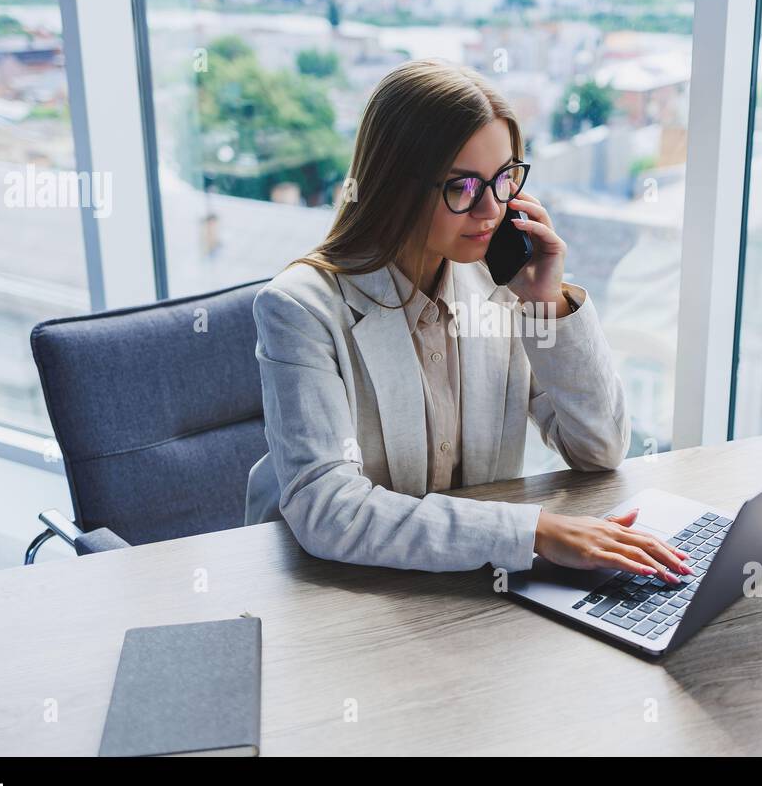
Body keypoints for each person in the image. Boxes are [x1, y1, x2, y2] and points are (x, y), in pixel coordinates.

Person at [244, 58, 690, 583]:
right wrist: (536, 533)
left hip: (470, 583)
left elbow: (598, 448)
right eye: (462, 187)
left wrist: (547, 305)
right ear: (395, 186)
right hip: (333, 590)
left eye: (503, 180)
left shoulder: (501, 283)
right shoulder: (301, 310)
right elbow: (331, 511)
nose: (490, 211)